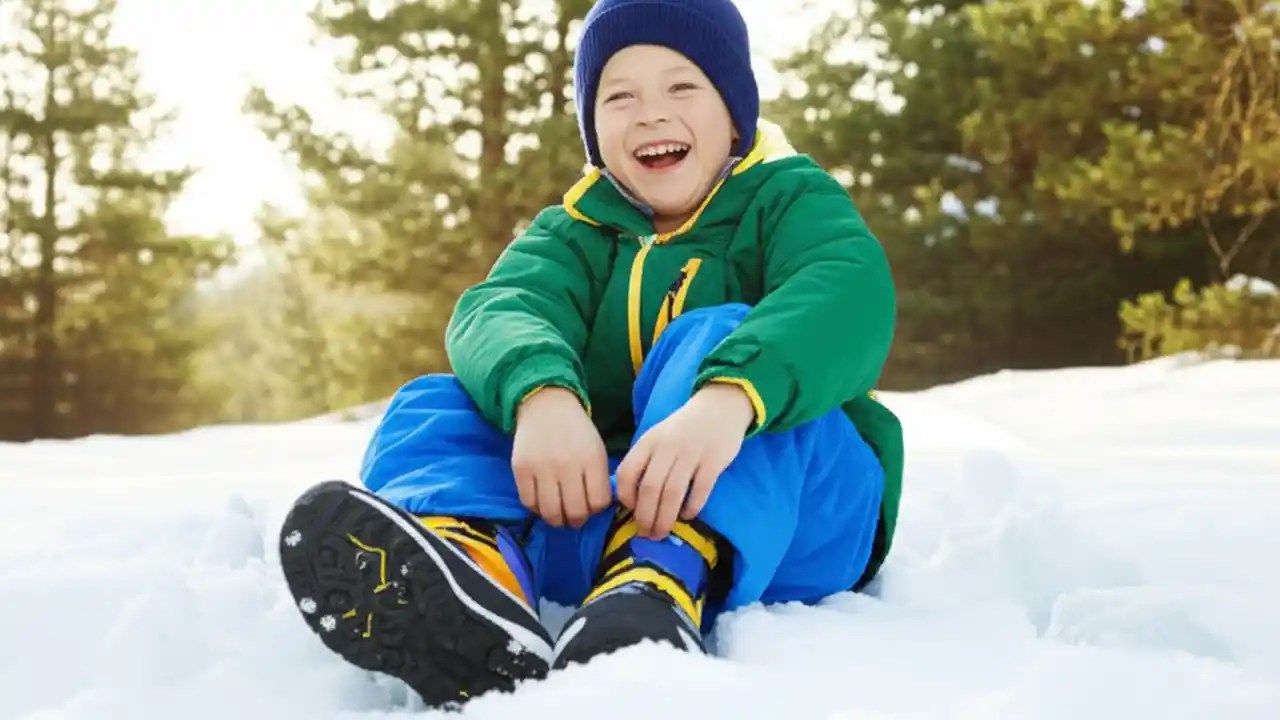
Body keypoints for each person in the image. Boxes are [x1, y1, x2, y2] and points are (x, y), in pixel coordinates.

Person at [276, 0, 903, 709]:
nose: (649, 113)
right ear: (594, 129)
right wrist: (544, 398)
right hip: (605, 508)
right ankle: (472, 571)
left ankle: (658, 579)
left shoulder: (789, 201)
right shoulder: (576, 232)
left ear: (735, 112)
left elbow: (845, 290)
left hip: (795, 512)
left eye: (681, 87)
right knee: (440, 399)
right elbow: (500, 309)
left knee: (714, 333)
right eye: (619, 95)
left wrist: (727, 401)